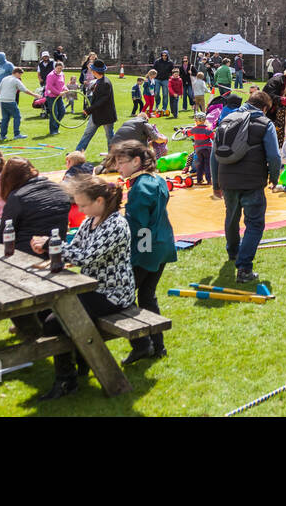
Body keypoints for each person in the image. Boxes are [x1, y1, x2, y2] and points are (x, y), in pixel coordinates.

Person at [30, 176, 133, 399]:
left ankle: (67, 380)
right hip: (92, 288)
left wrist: (52, 245)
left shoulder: (116, 224)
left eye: (84, 205)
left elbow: (87, 257)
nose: (81, 210)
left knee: (54, 322)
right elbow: (73, 251)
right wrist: (51, 248)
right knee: (45, 310)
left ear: (99, 201)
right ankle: (82, 361)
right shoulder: (91, 221)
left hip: (113, 293)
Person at [108, 140, 175, 365]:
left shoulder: (141, 187)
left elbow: (138, 224)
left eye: (121, 162)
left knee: (124, 296)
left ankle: (142, 344)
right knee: (146, 295)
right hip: (162, 244)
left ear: (136, 161)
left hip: (148, 247)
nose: (118, 167)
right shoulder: (155, 179)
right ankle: (158, 346)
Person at [212, 90, 280, 283]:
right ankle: (244, 267)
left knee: (231, 217)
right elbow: (274, 156)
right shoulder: (265, 124)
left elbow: (214, 153)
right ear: (265, 108)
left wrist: (216, 183)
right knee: (255, 223)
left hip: (227, 178)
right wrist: (274, 178)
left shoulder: (227, 119)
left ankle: (233, 252)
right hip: (252, 180)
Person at [0, 157, 71, 255]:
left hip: (26, 253)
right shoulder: (60, 190)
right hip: (55, 251)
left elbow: (2, 234)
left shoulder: (18, 197)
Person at [75, 61, 117, 154]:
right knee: (87, 134)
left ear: (94, 71)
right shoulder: (99, 81)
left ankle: (113, 155)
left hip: (106, 115)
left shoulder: (105, 83)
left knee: (110, 136)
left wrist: (88, 110)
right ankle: (77, 153)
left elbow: (102, 101)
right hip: (96, 114)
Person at [0, 66, 33, 140]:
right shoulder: (15, 80)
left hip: (2, 100)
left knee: (5, 118)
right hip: (10, 100)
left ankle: (2, 135)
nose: (20, 76)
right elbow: (24, 90)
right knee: (17, 116)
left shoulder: (5, 78)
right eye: (20, 74)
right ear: (16, 73)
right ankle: (17, 134)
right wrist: (35, 95)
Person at [188, 112, 214, 185]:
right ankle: (209, 180)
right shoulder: (207, 129)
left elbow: (187, 133)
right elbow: (213, 136)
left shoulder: (194, 129)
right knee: (207, 164)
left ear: (195, 121)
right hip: (207, 149)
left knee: (200, 164)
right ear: (205, 120)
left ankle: (199, 180)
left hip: (198, 150)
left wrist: (183, 131)